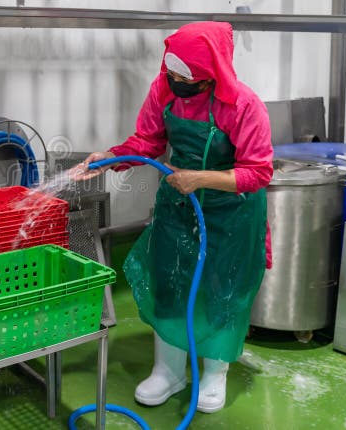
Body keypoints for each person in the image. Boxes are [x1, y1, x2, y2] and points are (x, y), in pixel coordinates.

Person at [75, 21, 273, 413]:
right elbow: (147, 142)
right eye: (172, 72)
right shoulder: (165, 91)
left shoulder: (244, 106)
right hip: (178, 207)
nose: (176, 80)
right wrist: (110, 159)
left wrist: (201, 178)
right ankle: (169, 370)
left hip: (231, 216)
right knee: (168, 282)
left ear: (210, 74)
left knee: (221, 290)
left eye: (186, 76)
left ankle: (215, 374)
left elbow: (258, 172)